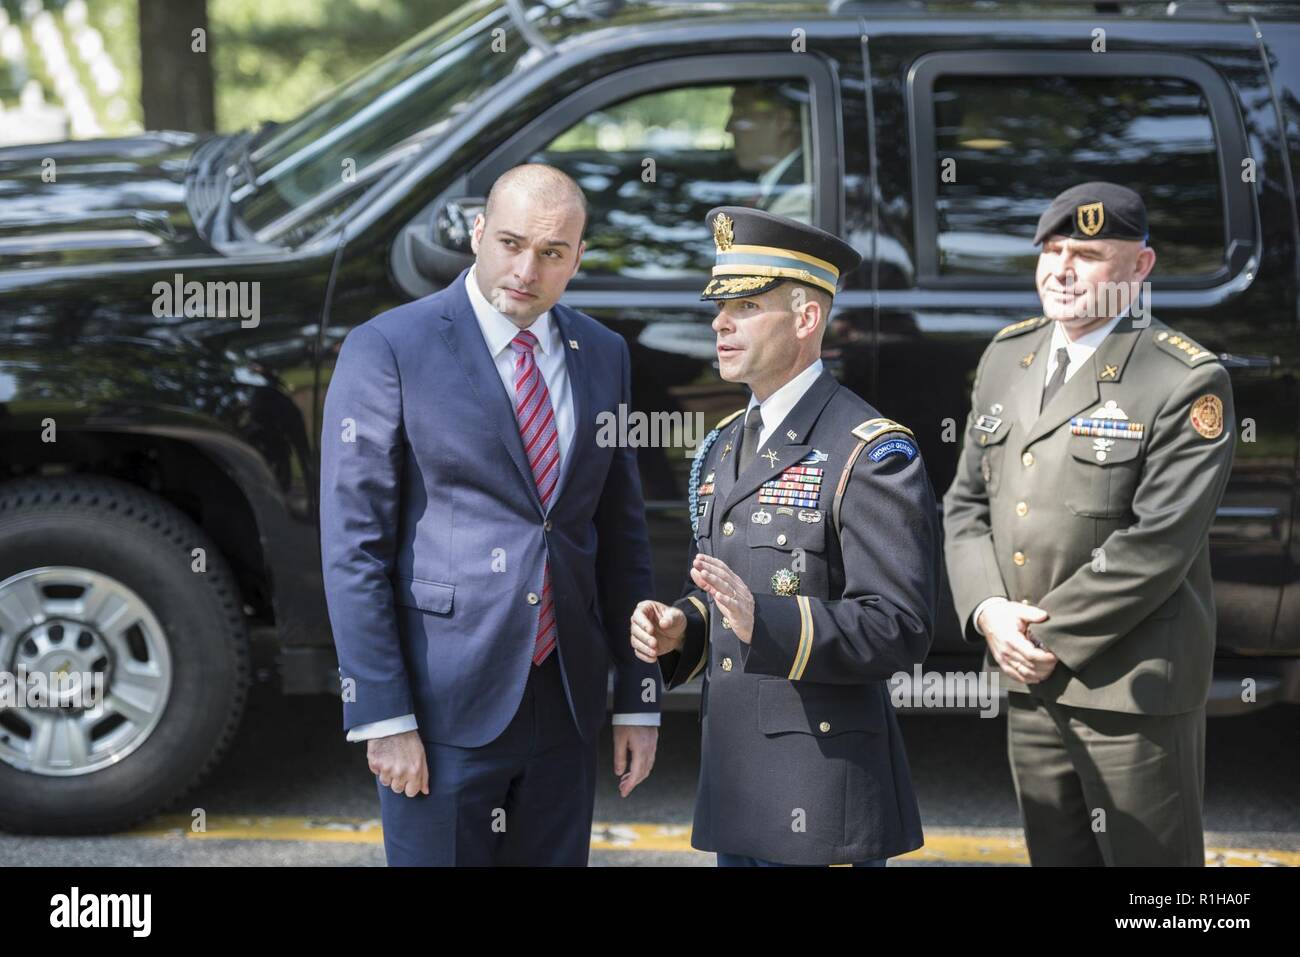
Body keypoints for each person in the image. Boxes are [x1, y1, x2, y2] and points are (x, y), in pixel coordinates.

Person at [320, 164, 661, 866]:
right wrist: (383, 717)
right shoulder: (390, 347)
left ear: (577, 259)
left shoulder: (603, 353)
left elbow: (623, 536)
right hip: (442, 703)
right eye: (509, 242)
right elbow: (354, 548)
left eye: (551, 253)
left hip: (565, 702)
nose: (525, 269)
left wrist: (637, 697)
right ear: (477, 233)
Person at [630, 206, 939, 866]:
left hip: (820, 791)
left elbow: (900, 625)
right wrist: (682, 624)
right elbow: (719, 588)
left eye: (745, 305)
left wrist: (763, 619)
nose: (719, 322)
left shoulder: (868, 451)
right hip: (739, 787)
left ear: (806, 319)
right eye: (720, 305)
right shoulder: (724, 444)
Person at [942, 182, 1236, 866]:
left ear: (1141, 268)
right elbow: (965, 505)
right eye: (1051, 250)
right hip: (1027, 677)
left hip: (1127, 688)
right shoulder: (1005, 357)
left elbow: (1159, 541)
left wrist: (1040, 632)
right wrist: (989, 612)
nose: (1062, 269)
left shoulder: (1183, 379)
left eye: (1088, 253)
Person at [727, 85, 812, 221]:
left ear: (782, 121)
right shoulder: (794, 182)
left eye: (740, 113)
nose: (728, 127)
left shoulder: (801, 196)